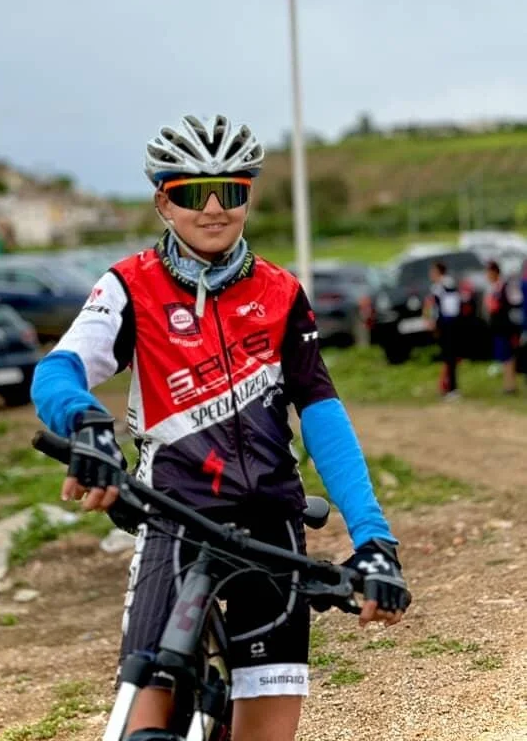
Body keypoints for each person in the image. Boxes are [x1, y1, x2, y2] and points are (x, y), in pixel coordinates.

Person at [31, 113, 410, 741]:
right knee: (143, 721)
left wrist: (374, 539)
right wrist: (88, 426)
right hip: (175, 513)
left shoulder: (282, 293)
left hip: (272, 521)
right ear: (163, 201)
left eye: (230, 191)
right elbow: (59, 371)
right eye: (190, 193)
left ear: (249, 196)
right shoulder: (129, 287)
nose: (213, 208)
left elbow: (321, 413)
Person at [425, 261, 462, 399]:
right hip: (443, 324)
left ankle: (453, 389)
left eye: (433, 271)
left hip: (450, 325)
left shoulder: (447, 285)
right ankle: (447, 387)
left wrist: (440, 322)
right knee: (447, 357)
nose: (431, 274)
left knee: (451, 357)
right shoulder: (437, 287)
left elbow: (450, 309)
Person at [484, 260, 518, 395]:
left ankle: (510, 386)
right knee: (504, 358)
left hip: (506, 327)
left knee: (508, 357)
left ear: (494, 272)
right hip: (498, 328)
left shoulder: (505, 286)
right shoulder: (493, 288)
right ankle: (507, 384)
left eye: (488, 272)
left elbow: (511, 304)